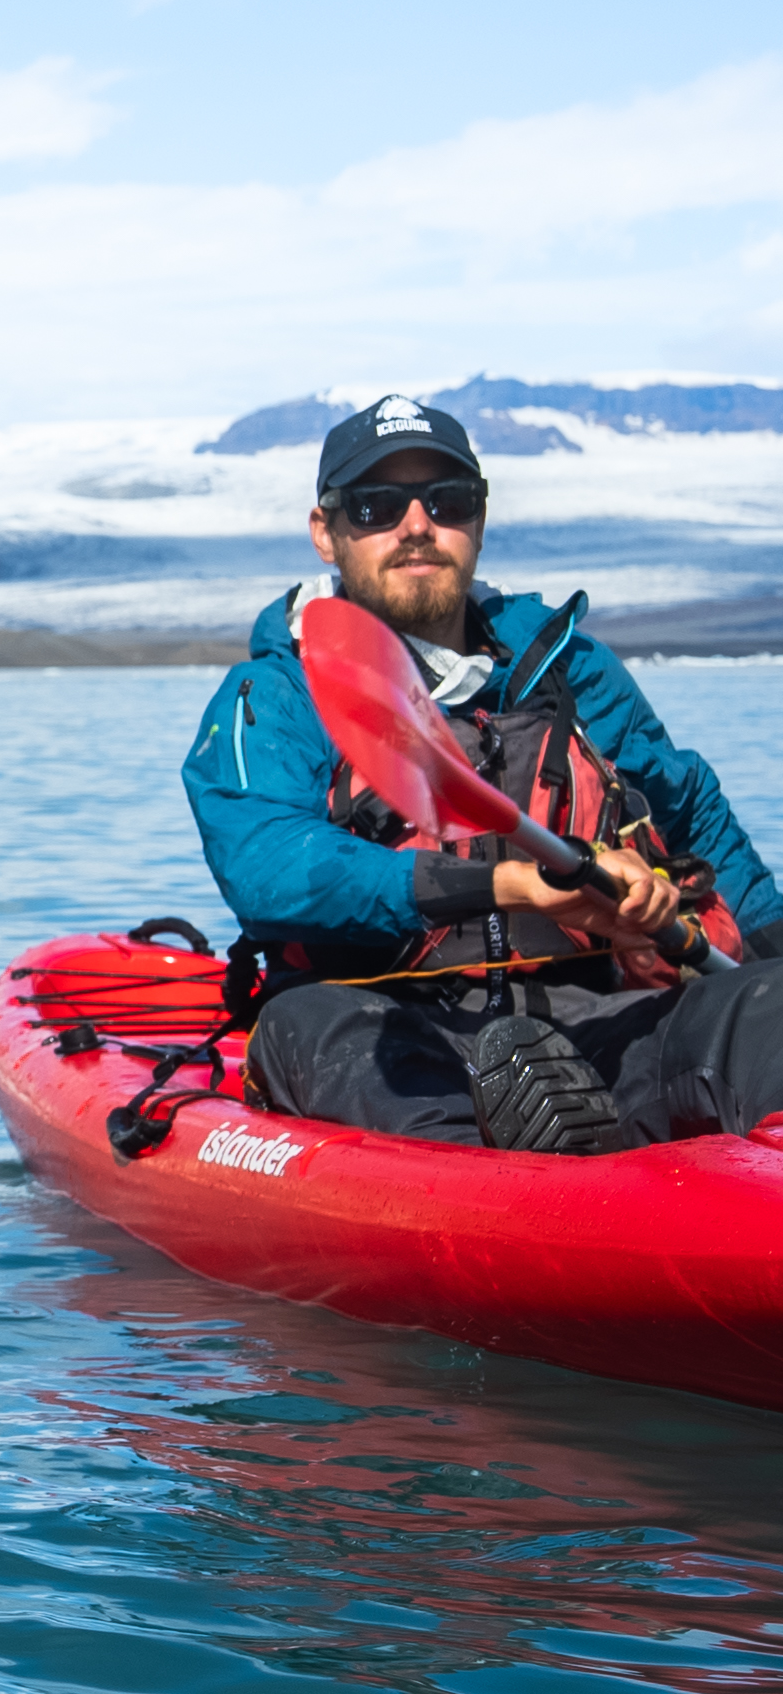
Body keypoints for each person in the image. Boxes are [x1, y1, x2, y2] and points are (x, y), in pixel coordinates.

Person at [184, 395, 783, 1152]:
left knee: (765, 1002)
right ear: (325, 533)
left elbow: (692, 810)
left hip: (591, 1023)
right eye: (374, 506)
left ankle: (576, 1140)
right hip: (386, 1033)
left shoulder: (570, 672)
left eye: (448, 501)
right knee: (309, 1024)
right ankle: (508, 1186)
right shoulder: (277, 694)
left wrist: (766, 951)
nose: (415, 527)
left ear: (479, 519)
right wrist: (503, 886)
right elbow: (267, 869)